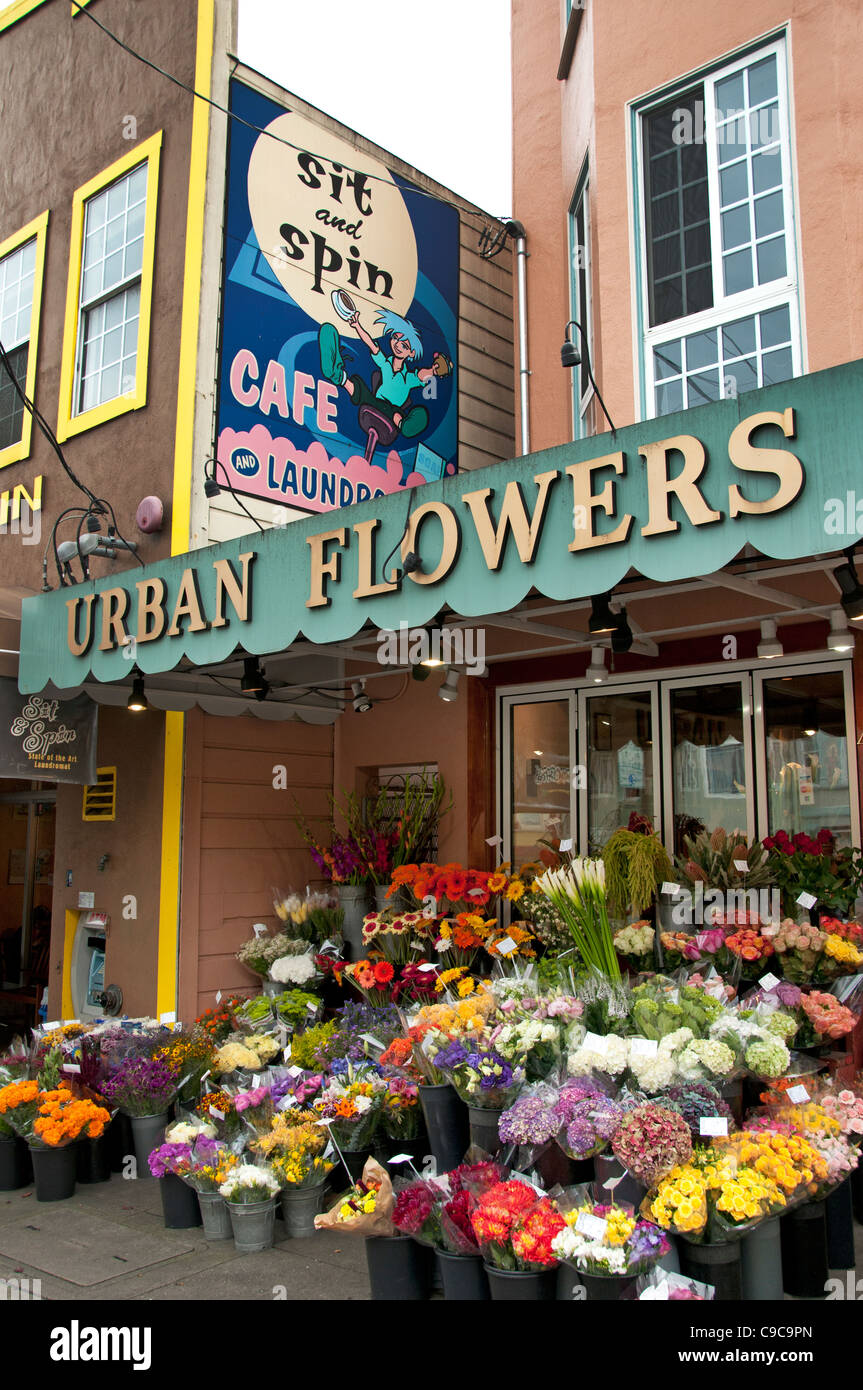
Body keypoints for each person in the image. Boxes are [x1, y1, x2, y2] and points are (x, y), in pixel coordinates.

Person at [319, 301, 450, 440]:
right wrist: (357, 325)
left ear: (411, 353)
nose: (398, 345)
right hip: (373, 401)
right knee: (359, 386)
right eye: (395, 338)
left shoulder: (408, 377)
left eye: (404, 345)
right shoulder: (385, 363)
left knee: (400, 413)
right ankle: (336, 373)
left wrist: (434, 371)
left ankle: (405, 426)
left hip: (391, 412)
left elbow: (421, 375)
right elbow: (370, 344)